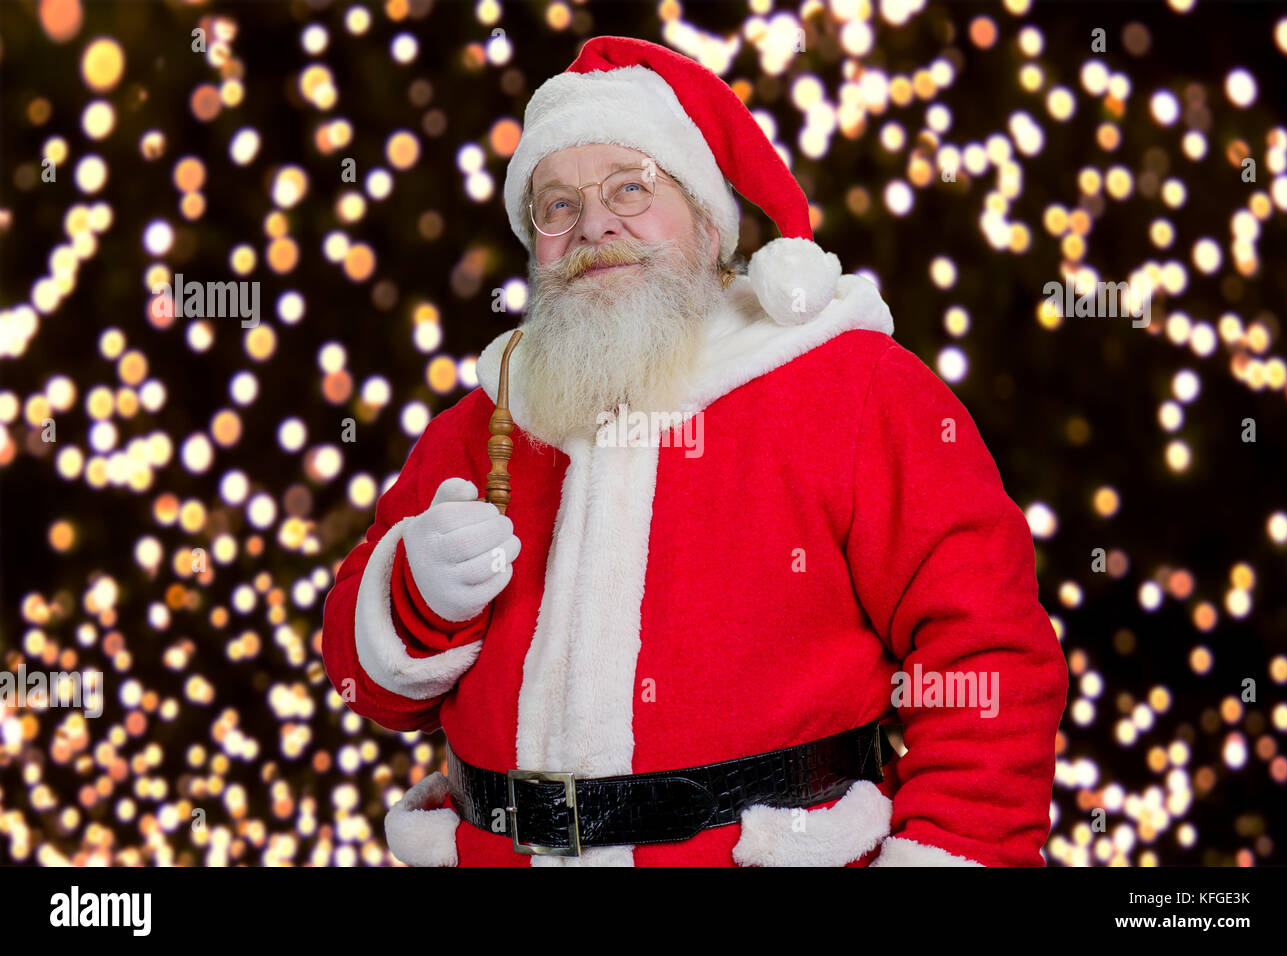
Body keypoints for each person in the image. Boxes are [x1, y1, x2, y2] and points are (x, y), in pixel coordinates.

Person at [321, 35, 1068, 867]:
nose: (594, 222)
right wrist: (412, 597)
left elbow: (989, 655)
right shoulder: (485, 422)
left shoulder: (854, 390)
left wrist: (946, 852)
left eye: (631, 188)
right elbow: (370, 687)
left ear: (712, 226)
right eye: (557, 205)